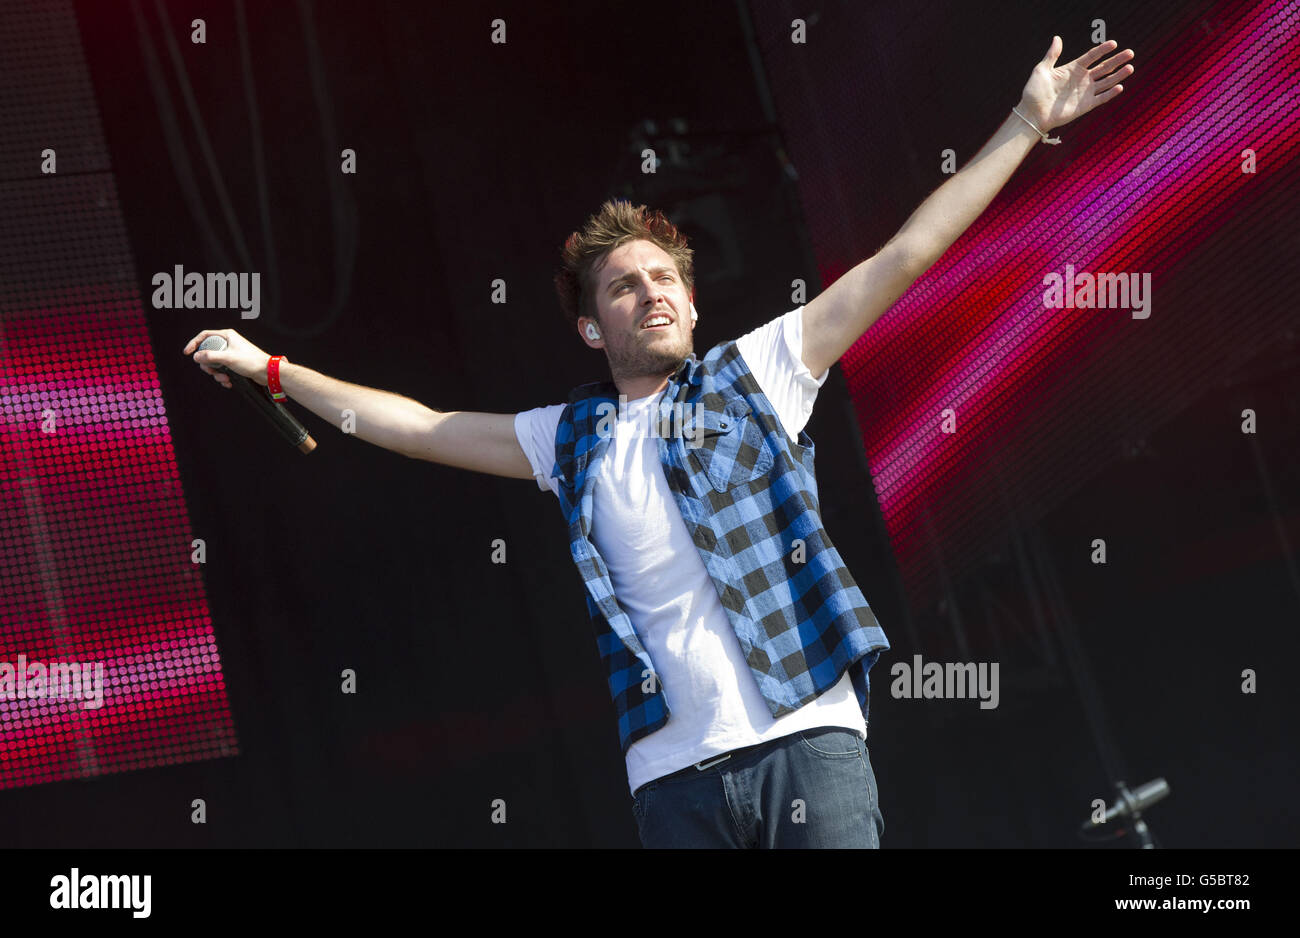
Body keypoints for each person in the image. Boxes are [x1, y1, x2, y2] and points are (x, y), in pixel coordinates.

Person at [185, 37, 1134, 847]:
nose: (653, 292)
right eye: (624, 286)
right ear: (594, 329)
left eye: (663, 276)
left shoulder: (754, 372)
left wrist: (1025, 124)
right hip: (672, 776)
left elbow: (905, 256)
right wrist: (275, 370)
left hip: (810, 738)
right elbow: (420, 430)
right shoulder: (571, 438)